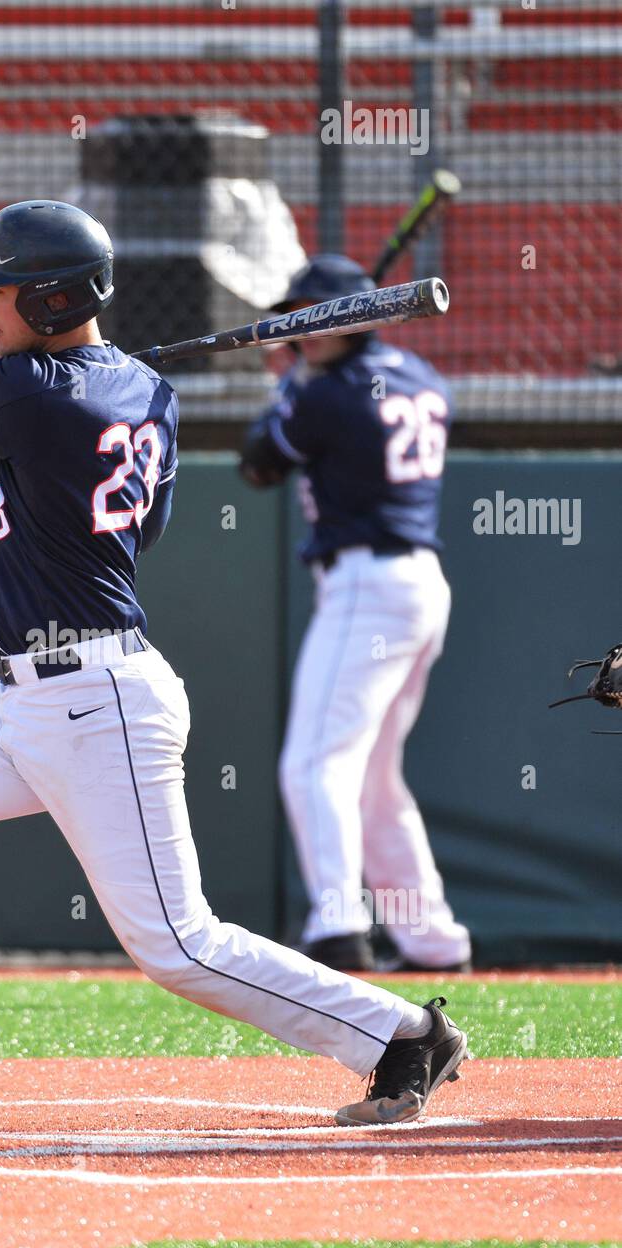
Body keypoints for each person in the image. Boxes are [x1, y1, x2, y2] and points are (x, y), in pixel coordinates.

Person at [0, 205, 467, 1128]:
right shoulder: (143, 394)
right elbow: (142, 522)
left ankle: (404, 1035)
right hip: (23, 700)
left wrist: (77, 371)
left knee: (176, 946)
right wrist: (99, 370)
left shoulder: (28, 393)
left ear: (48, 299)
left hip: (95, 702)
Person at [239, 253, 472, 975]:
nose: (302, 330)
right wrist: (311, 362)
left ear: (352, 320)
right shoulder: (420, 377)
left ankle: (338, 924)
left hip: (367, 586)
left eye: (316, 316)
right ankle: (432, 940)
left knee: (313, 764)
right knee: (372, 774)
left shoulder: (325, 394)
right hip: (420, 586)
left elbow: (257, 465)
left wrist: (293, 380)